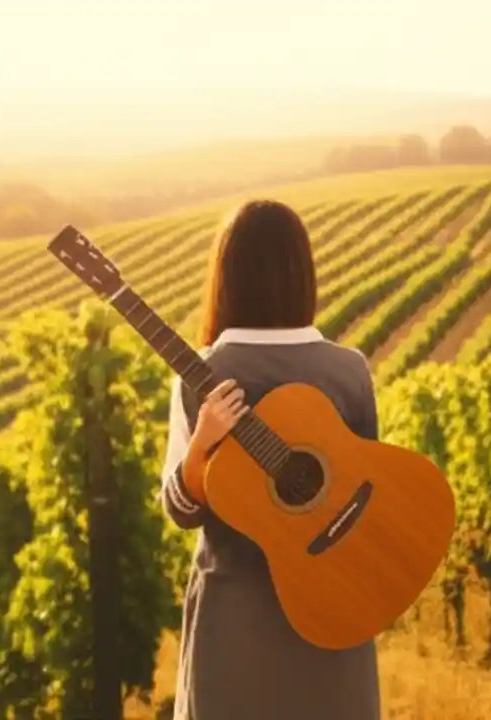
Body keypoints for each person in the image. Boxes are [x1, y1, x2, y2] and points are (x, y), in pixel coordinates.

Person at [158, 199, 381, 720]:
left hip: (235, 627)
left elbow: (180, 509)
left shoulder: (201, 374)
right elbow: (370, 508)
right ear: (302, 275)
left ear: (225, 279)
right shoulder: (351, 372)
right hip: (334, 627)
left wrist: (199, 452)